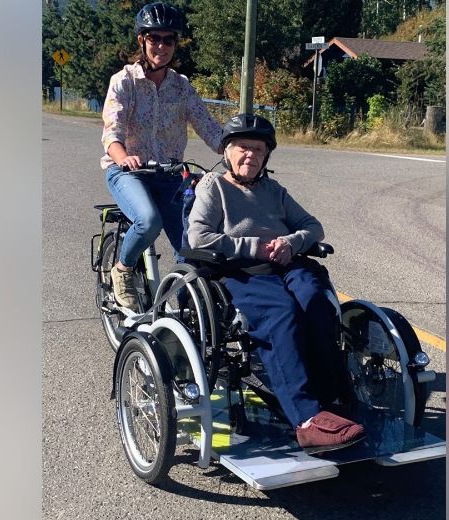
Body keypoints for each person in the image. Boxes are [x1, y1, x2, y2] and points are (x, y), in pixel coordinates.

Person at [187, 114, 365, 454]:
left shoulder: (274, 190)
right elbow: (199, 237)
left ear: (266, 156)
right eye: (243, 147)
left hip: (286, 263)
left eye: (258, 149)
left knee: (316, 302)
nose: (250, 155)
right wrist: (253, 247)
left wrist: (291, 242)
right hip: (241, 269)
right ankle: (307, 419)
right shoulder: (213, 186)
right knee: (282, 313)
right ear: (226, 151)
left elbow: (313, 226)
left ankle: (332, 398)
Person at [100, 2, 223, 311]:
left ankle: (184, 311)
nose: (162, 46)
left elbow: (208, 126)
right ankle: (123, 269)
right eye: (155, 38)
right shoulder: (124, 81)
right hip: (128, 172)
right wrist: (124, 157)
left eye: (169, 40)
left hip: (169, 175)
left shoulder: (181, 87)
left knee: (192, 244)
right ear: (142, 40)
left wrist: (238, 152)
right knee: (149, 220)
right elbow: (112, 133)